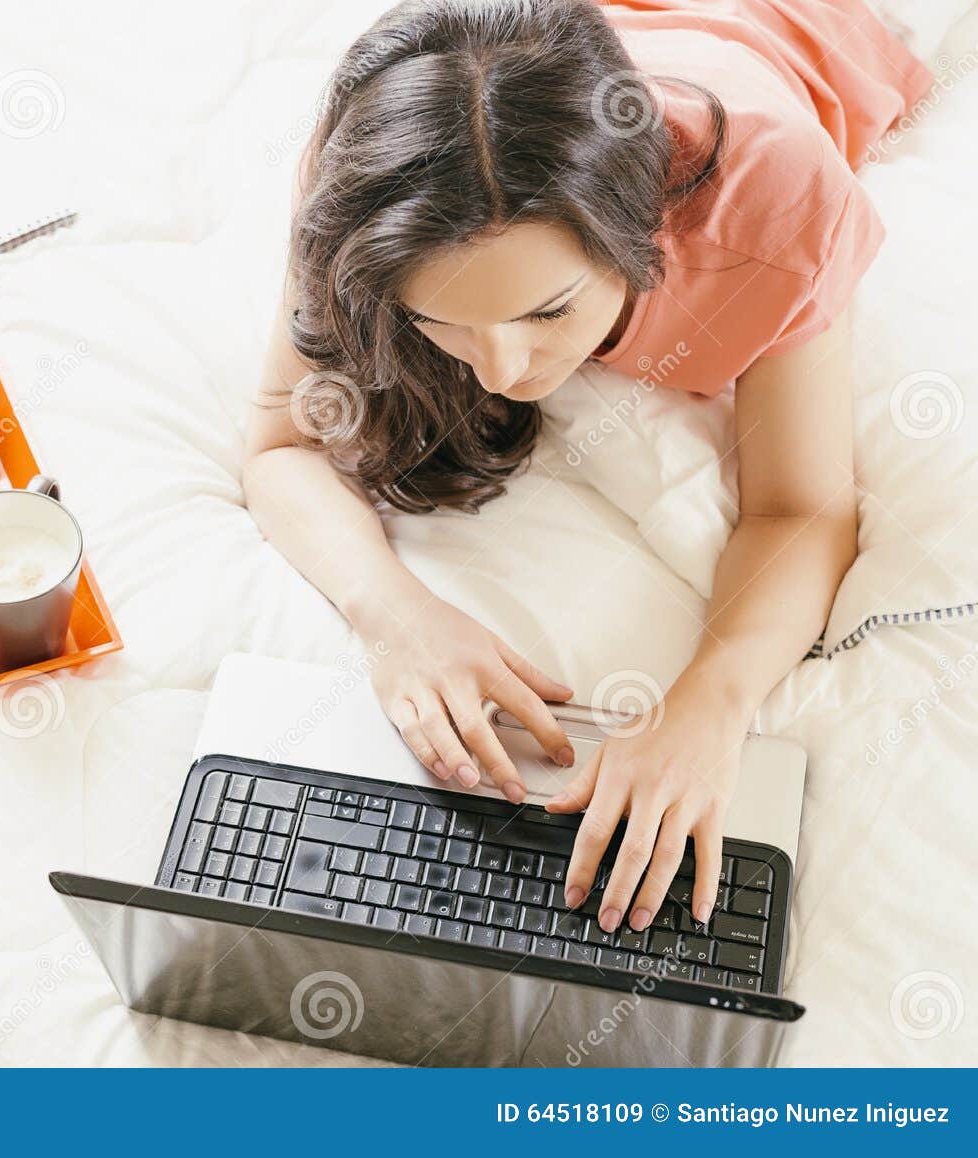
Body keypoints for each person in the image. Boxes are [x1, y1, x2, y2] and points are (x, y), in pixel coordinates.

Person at [243, 0, 932, 935]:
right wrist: (394, 614)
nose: (501, 372)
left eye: (548, 312)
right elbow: (281, 444)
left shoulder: (773, 201)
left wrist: (709, 705)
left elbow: (800, 510)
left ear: (636, 228)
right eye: (439, 321)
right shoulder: (369, 179)